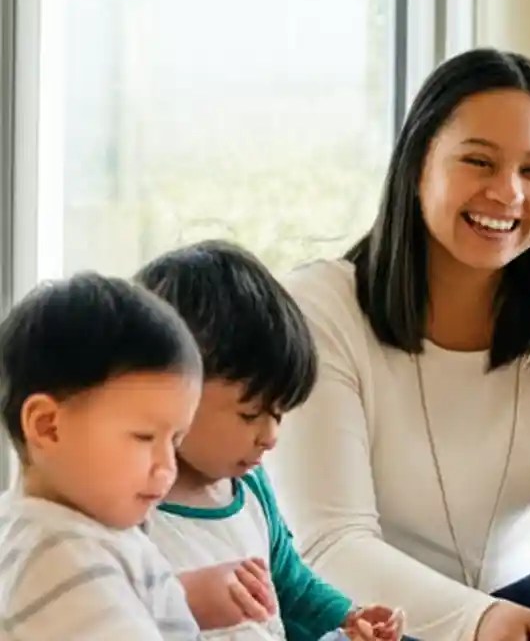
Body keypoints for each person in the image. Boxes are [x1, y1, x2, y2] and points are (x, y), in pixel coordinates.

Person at [265, 48, 530, 641]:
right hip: (365, 613)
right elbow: (330, 541)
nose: (508, 193)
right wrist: (476, 621)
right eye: (479, 161)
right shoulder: (319, 309)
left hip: (522, 595)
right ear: (416, 164)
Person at [135, 240, 409, 641]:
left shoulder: (248, 488)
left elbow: (291, 588)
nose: (270, 437)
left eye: (279, 414)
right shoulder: (124, 510)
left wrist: (348, 618)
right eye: (250, 415)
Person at [0, 273, 204, 639]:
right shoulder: (60, 555)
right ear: (48, 426)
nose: (167, 468)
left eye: (175, 441)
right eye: (144, 437)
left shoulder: (78, 535)